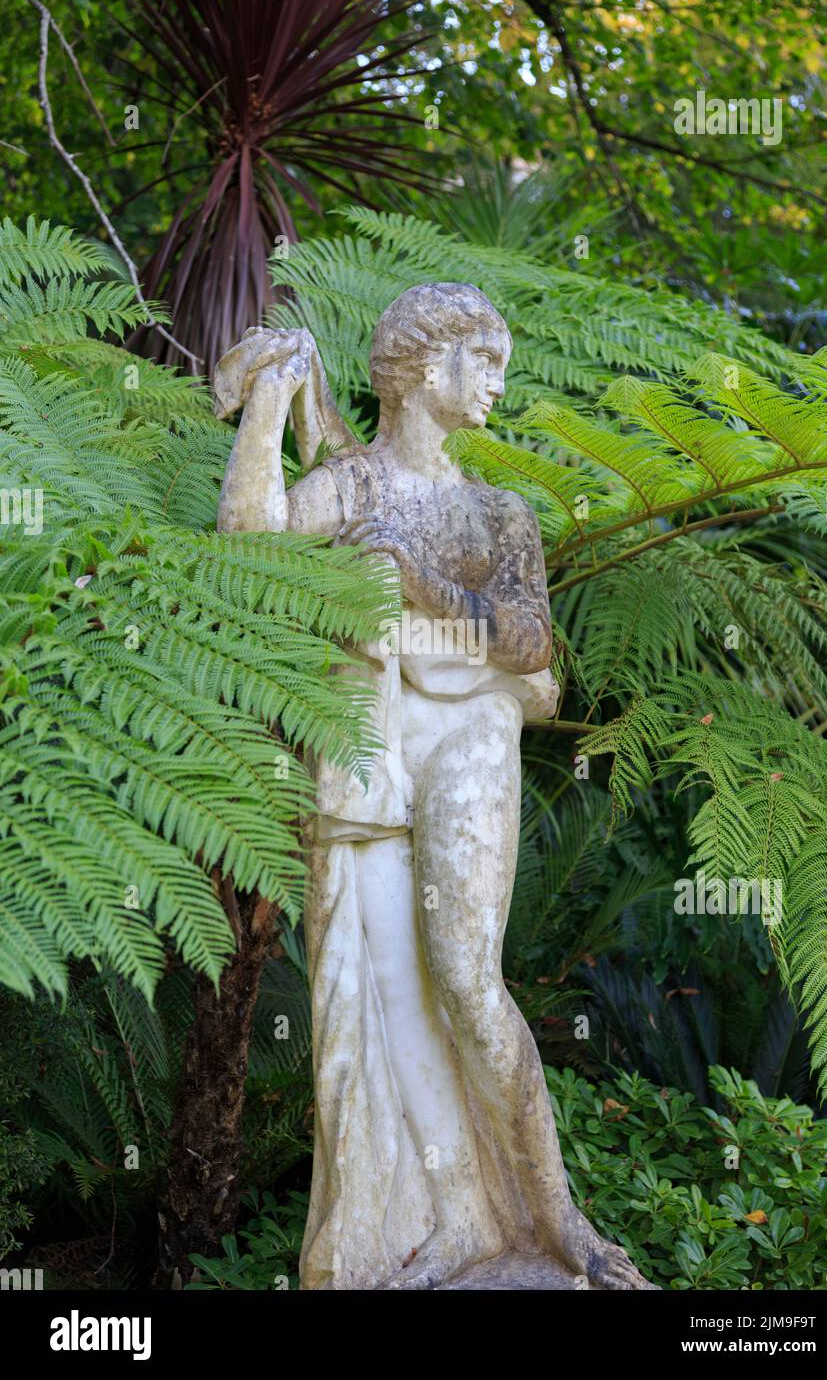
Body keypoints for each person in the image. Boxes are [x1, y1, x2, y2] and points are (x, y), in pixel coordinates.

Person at [215, 283, 650, 1291]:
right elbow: (250, 539)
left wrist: (416, 579)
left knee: (462, 974)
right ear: (417, 367)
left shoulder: (495, 511)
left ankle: (550, 1218)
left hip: (466, 736)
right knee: (380, 979)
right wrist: (273, 404)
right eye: (482, 360)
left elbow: (532, 644)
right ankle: (439, 1219)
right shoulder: (352, 484)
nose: (496, 382)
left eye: (499, 362)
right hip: (368, 743)